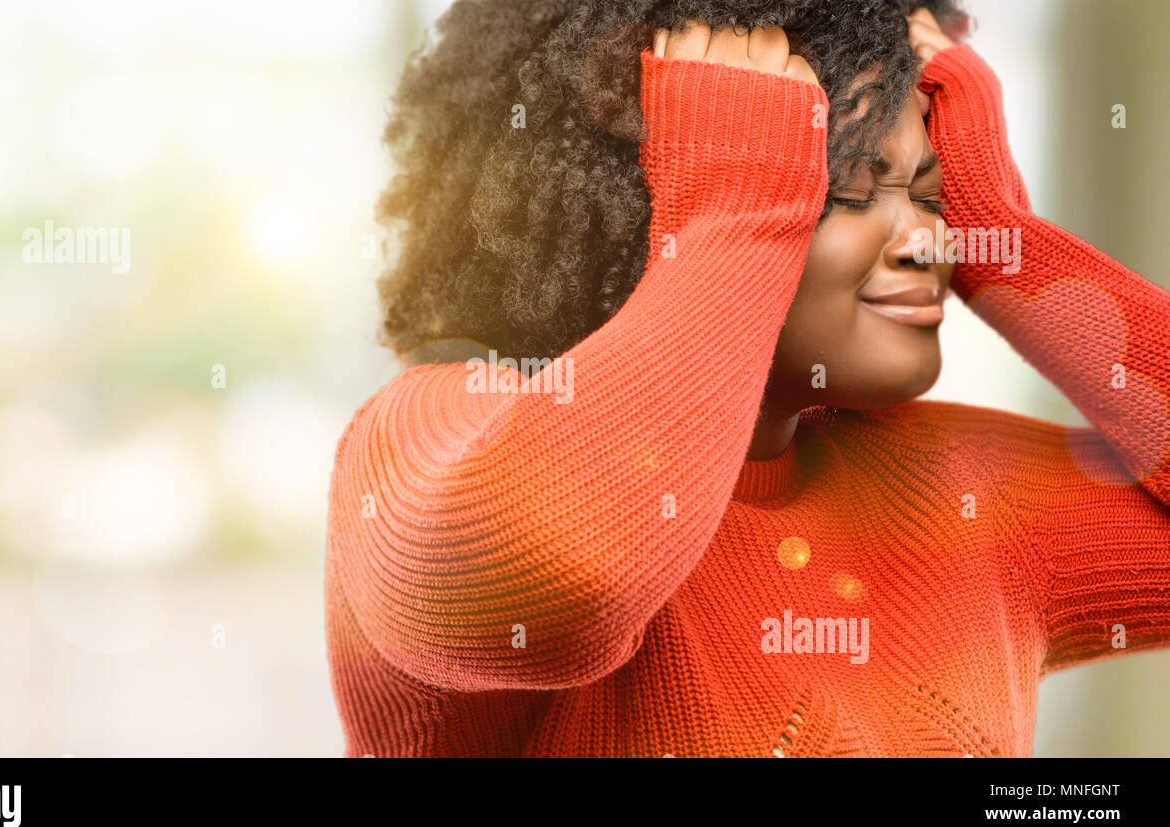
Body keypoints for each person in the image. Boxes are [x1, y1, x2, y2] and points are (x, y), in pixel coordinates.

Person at [324, 1, 1170, 756]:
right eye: (841, 187)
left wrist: (1008, 237)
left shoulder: (960, 493)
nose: (927, 241)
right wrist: (733, 215)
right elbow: (569, 574)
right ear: (657, 190)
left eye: (933, 193)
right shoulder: (429, 433)